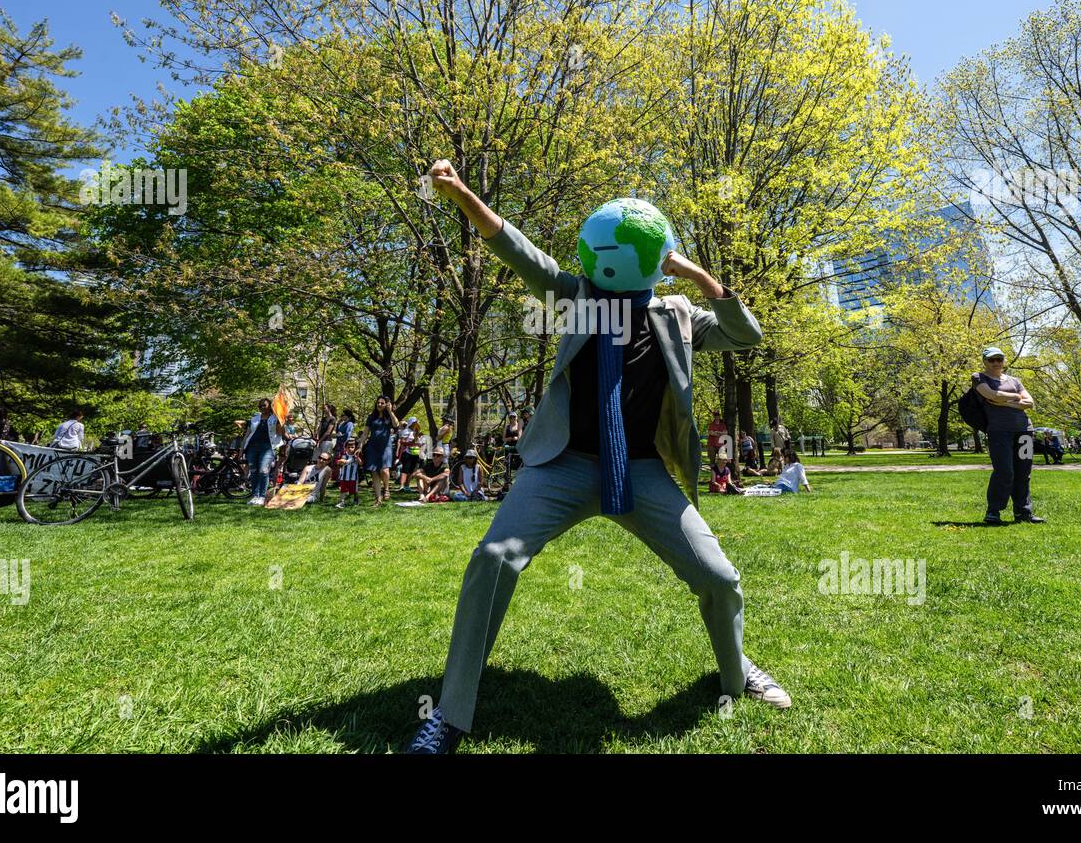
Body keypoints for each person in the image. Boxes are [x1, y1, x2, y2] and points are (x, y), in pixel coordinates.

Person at [405, 159, 788, 755]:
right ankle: (449, 716)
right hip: (563, 465)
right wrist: (460, 194)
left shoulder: (678, 315)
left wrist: (698, 275)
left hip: (642, 471)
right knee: (493, 557)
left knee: (719, 577)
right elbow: (517, 249)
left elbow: (748, 336)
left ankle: (736, 672)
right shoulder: (577, 297)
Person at [971, 347, 1044, 525]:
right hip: (999, 432)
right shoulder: (978, 377)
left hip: (1025, 431)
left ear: (1004, 361)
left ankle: (1023, 512)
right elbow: (990, 394)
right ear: (985, 362)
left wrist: (1005, 401)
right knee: (1004, 471)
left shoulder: (1015, 380)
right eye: (991, 360)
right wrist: (1016, 398)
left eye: (999, 359)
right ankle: (993, 512)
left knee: (1024, 472)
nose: (996, 363)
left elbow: (1030, 403)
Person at [358, 395, 400, 506]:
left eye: (382, 403)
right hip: (372, 446)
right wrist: (360, 446)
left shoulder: (389, 417)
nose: (379, 405)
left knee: (384, 470)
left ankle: (386, 488)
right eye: (378, 403)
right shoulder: (371, 417)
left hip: (386, 446)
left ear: (386, 404)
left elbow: (396, 424)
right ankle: (378, 499)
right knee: (374, 472)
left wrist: (390, 412)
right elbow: (365, 433)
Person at [241, 399, 284, 505]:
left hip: (268, 448)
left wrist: (281, 422)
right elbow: (247, 434)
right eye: (260, 406)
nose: (262, 408)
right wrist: (241, 449)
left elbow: (280, 433)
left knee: (263, 471)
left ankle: (262, 496)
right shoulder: (254, 419)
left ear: (270, 406)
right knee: (254, 472)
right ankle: (255, 495)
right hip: (252, 448)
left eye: (264, 405)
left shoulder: (275, 418)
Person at [334, 441, 361, 508]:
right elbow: (337, 462)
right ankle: (342, 502)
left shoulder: (356, 456)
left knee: (354, 490)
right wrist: (340, 461)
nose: (350, 449)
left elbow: (361, 463)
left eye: (352, 447)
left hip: (353, 477)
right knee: (343, 490)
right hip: (343, 476)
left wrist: (357, 458)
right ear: (345, 448)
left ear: (355, 448)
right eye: (348, 447)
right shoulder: (343, 455)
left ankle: (356, 499)